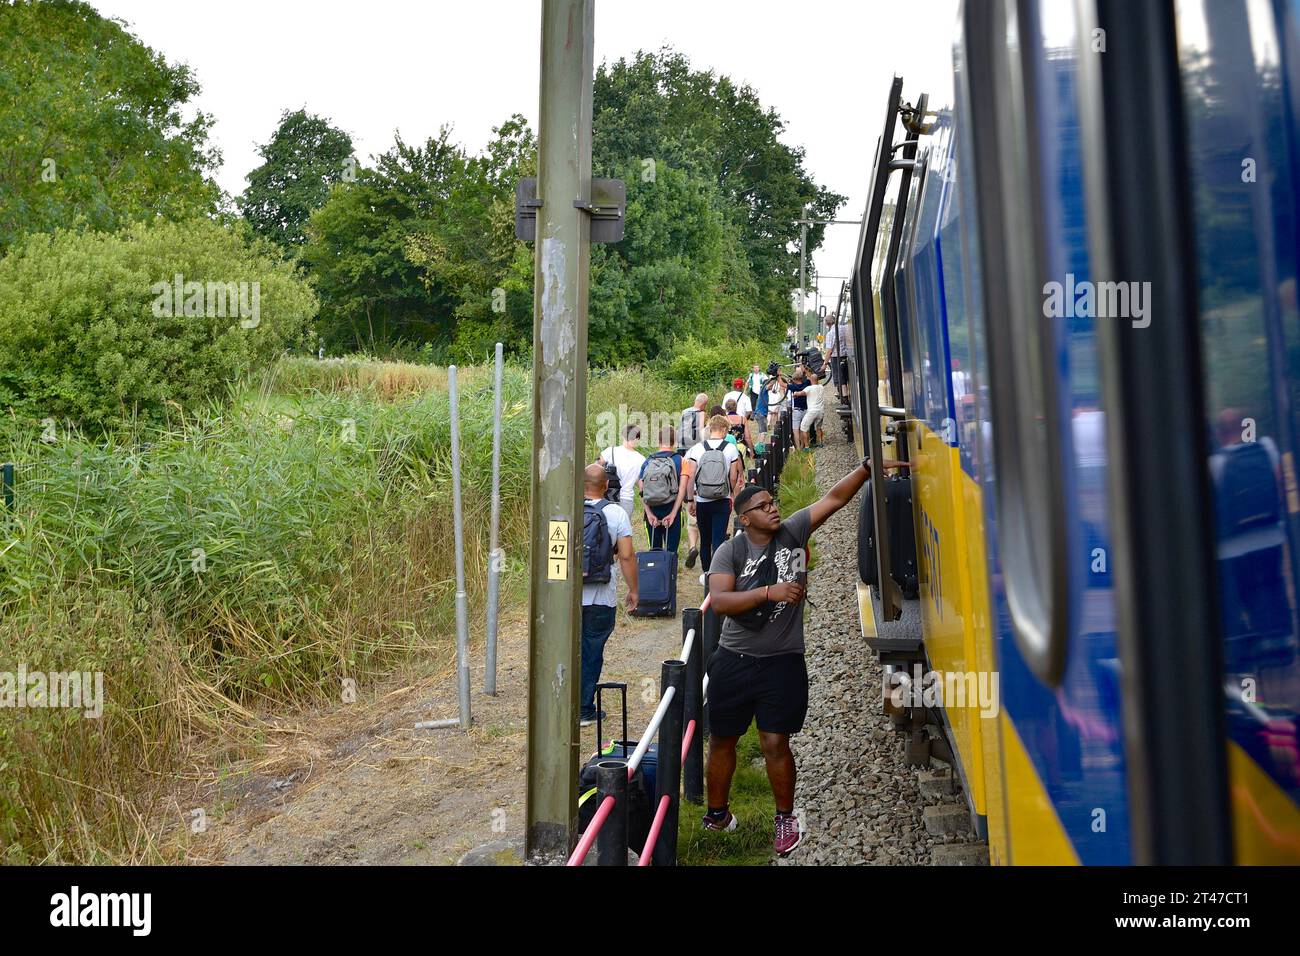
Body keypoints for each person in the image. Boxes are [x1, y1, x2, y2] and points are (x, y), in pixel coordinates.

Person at [702, 456, 909, 854]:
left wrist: (866, 468)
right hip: (733, 660)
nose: (772, 507)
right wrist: (768, 592)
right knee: (722, 741)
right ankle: (717, 814)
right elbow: (722, 601)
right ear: (745, 519)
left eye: (772, 501)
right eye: (762, 506)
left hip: (782, 662)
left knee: (776, 742)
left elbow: (833, 498)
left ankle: (785, 819)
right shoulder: (729, 552)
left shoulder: (793, 531)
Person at [581, 463, 638, 726]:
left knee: (567, 649)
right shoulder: (615, 513)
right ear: (606, 486)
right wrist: (634, 590)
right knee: (592, 649)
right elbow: (626, 555)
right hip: (600, 596)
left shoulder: (565, 510)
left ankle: (561, 703)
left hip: (566, 599)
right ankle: (583, 709)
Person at [683, 415, 744, 577]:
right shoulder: (731, 448)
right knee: (718, 539)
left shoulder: (698, 448)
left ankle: (706, 573)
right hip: (722, 500)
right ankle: (717, 575)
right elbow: (733, 477)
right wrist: (731, 494)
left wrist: (690, 500)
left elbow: (690, 476)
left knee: (705, 540)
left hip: (702, 500)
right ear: (724, 429)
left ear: (710, 429)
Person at [638, 425, 687, 554]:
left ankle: (655, 574)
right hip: (672, 509)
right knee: (671, 552)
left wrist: (649, 514)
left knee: (654, 551)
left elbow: (641, 488)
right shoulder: (681, 461)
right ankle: (670, 574)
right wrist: (673, 513)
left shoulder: (648, 461)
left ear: (659, 441)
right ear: (674, 442)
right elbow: (682, 489)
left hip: (652, 511)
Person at [599, 425, 647, 521]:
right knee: (623, 531)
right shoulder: (641, 459)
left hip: (608, 497)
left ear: (623, 436)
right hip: (627, 499)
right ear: (638, 439)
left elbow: (595, 468)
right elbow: (640, 483)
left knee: (605, 530)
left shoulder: (610, 451)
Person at [825, 312, 852, 404]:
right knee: (847, 376)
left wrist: (825, 364)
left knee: (840, 378)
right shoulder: (844, 328)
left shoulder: (830, 333)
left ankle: (844, 398)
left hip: (837, 357)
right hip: (848, 355)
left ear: (827, 324)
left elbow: (829, 350)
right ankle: (849, 394)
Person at [800, 372, 825, 448]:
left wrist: (795, 394)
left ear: (811, 380)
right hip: (820, 411)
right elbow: (813, 377)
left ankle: (807, 447)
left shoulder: (809, 388)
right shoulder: (821, 387)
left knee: (804, 428)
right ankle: (820, 443)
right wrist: (806, 371)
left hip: (812, 411)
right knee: (818, 428)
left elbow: (802, 393)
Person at [788, 365, 810, 450]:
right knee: (804, 429)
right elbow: (810, 377)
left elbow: (782, 384)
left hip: (797, 411)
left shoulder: (793, 387)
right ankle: (804, 445)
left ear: (794, 380)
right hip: (806, 410)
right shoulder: (806, 384)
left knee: (795, 430)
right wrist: (805, 369)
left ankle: (798, 448)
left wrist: (778, 375)